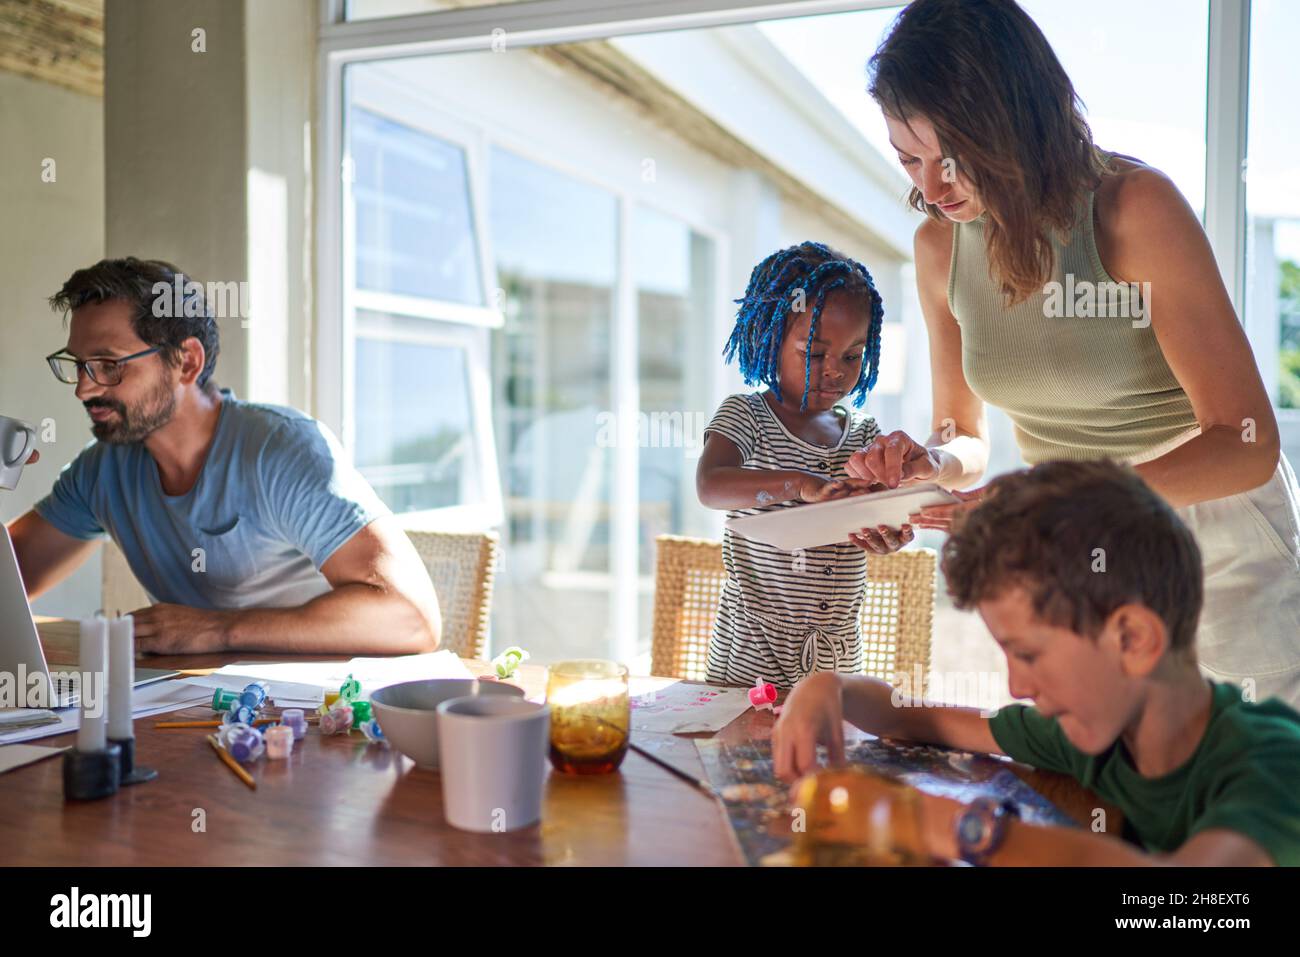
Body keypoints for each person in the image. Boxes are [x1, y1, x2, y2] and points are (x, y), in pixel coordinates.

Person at [844, 0, 1300, 705]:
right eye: (910, 158)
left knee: (1243, 788)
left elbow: (1246, 443)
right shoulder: (939, 246)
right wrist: (923, 470)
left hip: (1209, 532)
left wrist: (1053, 501)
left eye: (956, 161)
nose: (932, 190)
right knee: (1101, 788)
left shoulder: (1132, 209)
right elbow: (963, 432)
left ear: (1015, 126)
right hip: (1072, 541)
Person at [773, 460, 1300, 865]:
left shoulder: (1275, 762)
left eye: (1028, 654)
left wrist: (957, 827)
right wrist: (828, 687)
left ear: (1133, 640)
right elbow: (914, 716)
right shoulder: (1092, 727)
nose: (1017, 685)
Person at [7, 257, 440, 656]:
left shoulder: (282, 449)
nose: (84, 388)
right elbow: (10, 581)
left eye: (108, 364)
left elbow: (410, 617)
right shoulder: (102, 469)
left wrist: (219, 629)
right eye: (78, 364)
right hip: (194, 711)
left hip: (316, 718)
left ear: (186, 363)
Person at [696, 241, 910, 689]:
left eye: (853, 356)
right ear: (769, 339)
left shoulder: (865, 434)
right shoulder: (747, 416)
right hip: (752, 649)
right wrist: (799, 484)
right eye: (814, 354)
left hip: (837, 650)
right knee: (741, 752)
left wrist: (885, 532)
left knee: (826, 752)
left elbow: (871, 519)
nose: (835, 372)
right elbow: (711, 486)